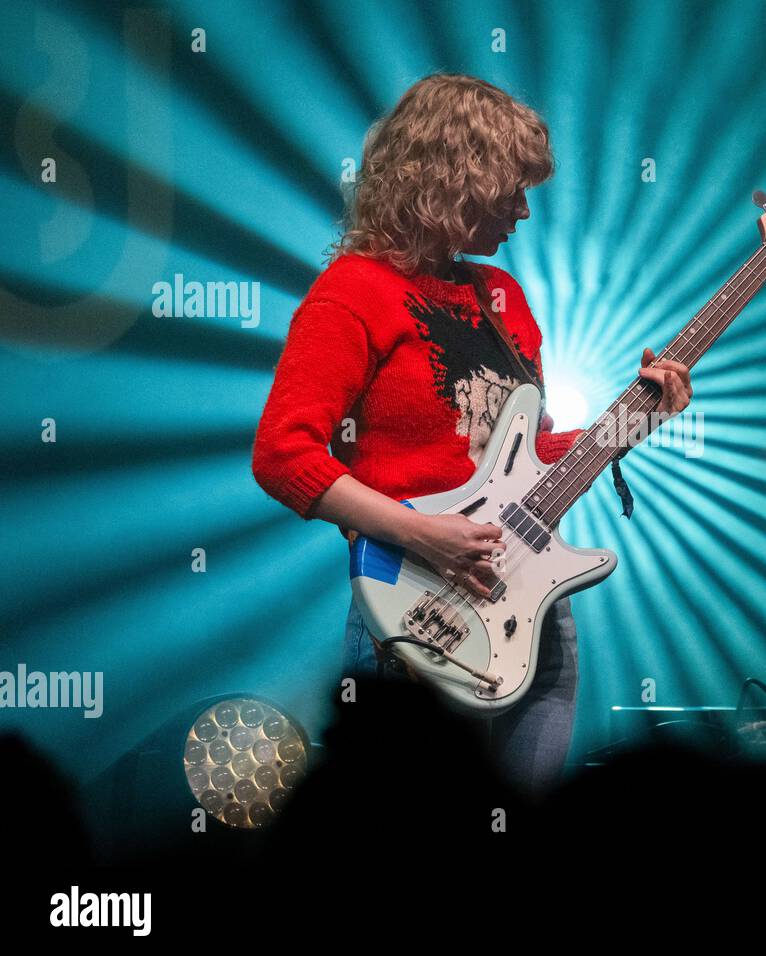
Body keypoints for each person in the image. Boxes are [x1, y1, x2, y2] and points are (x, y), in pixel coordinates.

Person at [251, 73, 692, 796]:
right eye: (512, 189)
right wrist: (421, 533)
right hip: (419, 601)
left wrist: (637, 417)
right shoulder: (353, 293)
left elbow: (531, 456)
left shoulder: (502, 298)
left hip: (532, 600)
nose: (524, 210)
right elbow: (282, 453)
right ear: (455, 178)